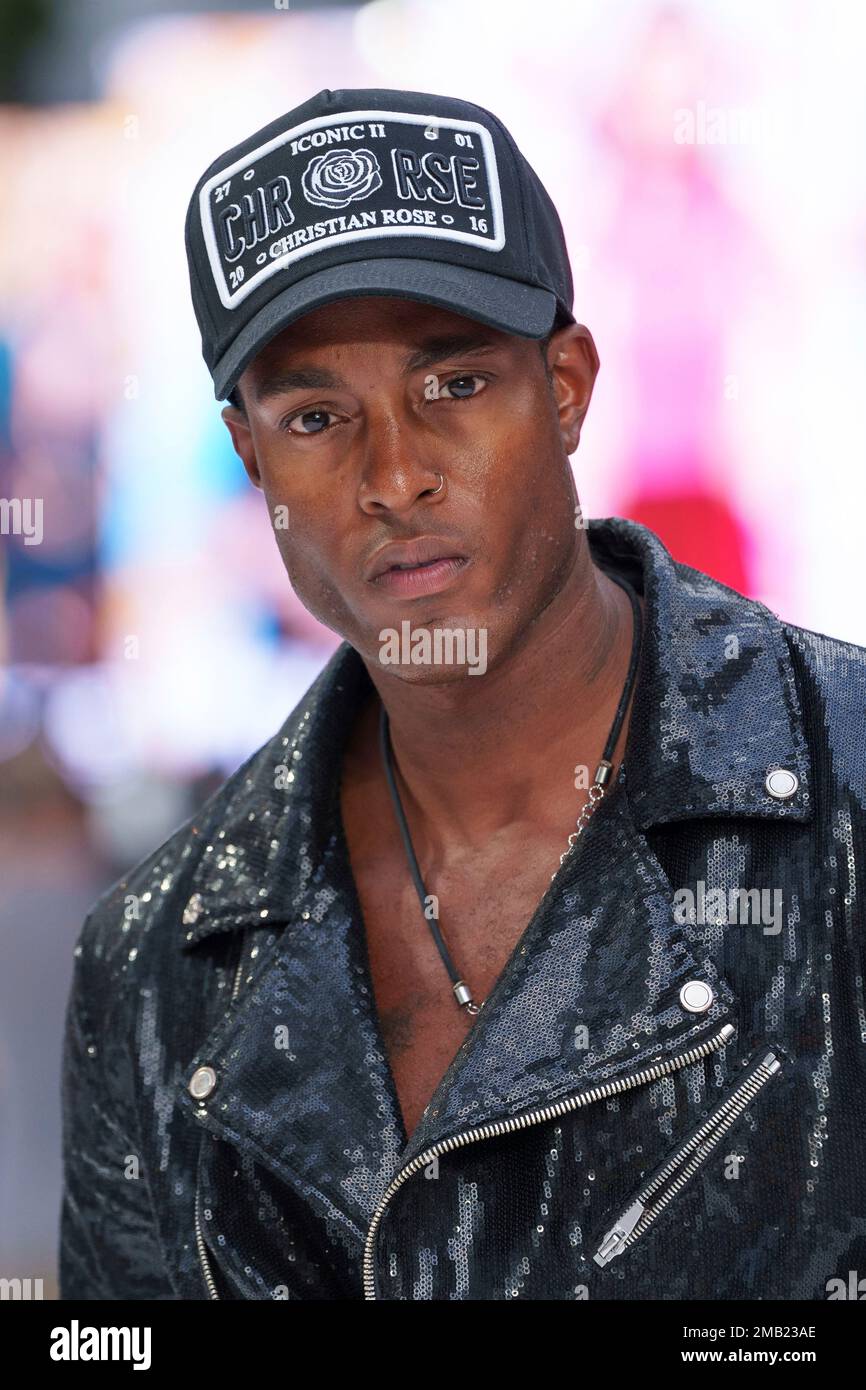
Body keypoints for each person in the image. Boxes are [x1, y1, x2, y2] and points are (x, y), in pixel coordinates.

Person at [59, 86, 866, 1301]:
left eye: (451, 386)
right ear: (251, 457)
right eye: (317, 415)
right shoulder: (158, 959)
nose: (392, 475)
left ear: (565, 386)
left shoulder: (843, 784)